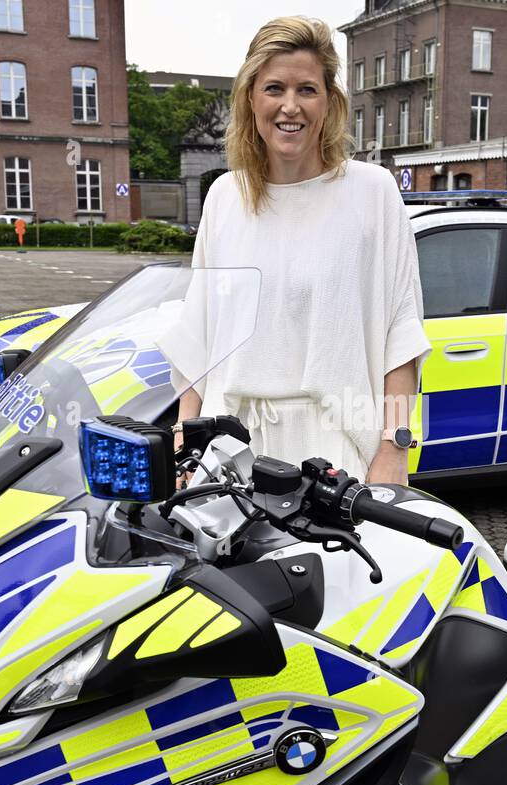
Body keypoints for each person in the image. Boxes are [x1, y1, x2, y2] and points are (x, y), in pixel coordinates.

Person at [168, 16, 431, 485]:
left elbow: (401, 337)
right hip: (227, 452)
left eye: (307, 89)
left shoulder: (372, 192)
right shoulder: (226, 196)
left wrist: (395, 450)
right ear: (251, 98)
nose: (290, 106)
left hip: (333, 455)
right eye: (274, 88)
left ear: (329, 101)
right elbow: (198, 334)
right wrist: (184, 441)